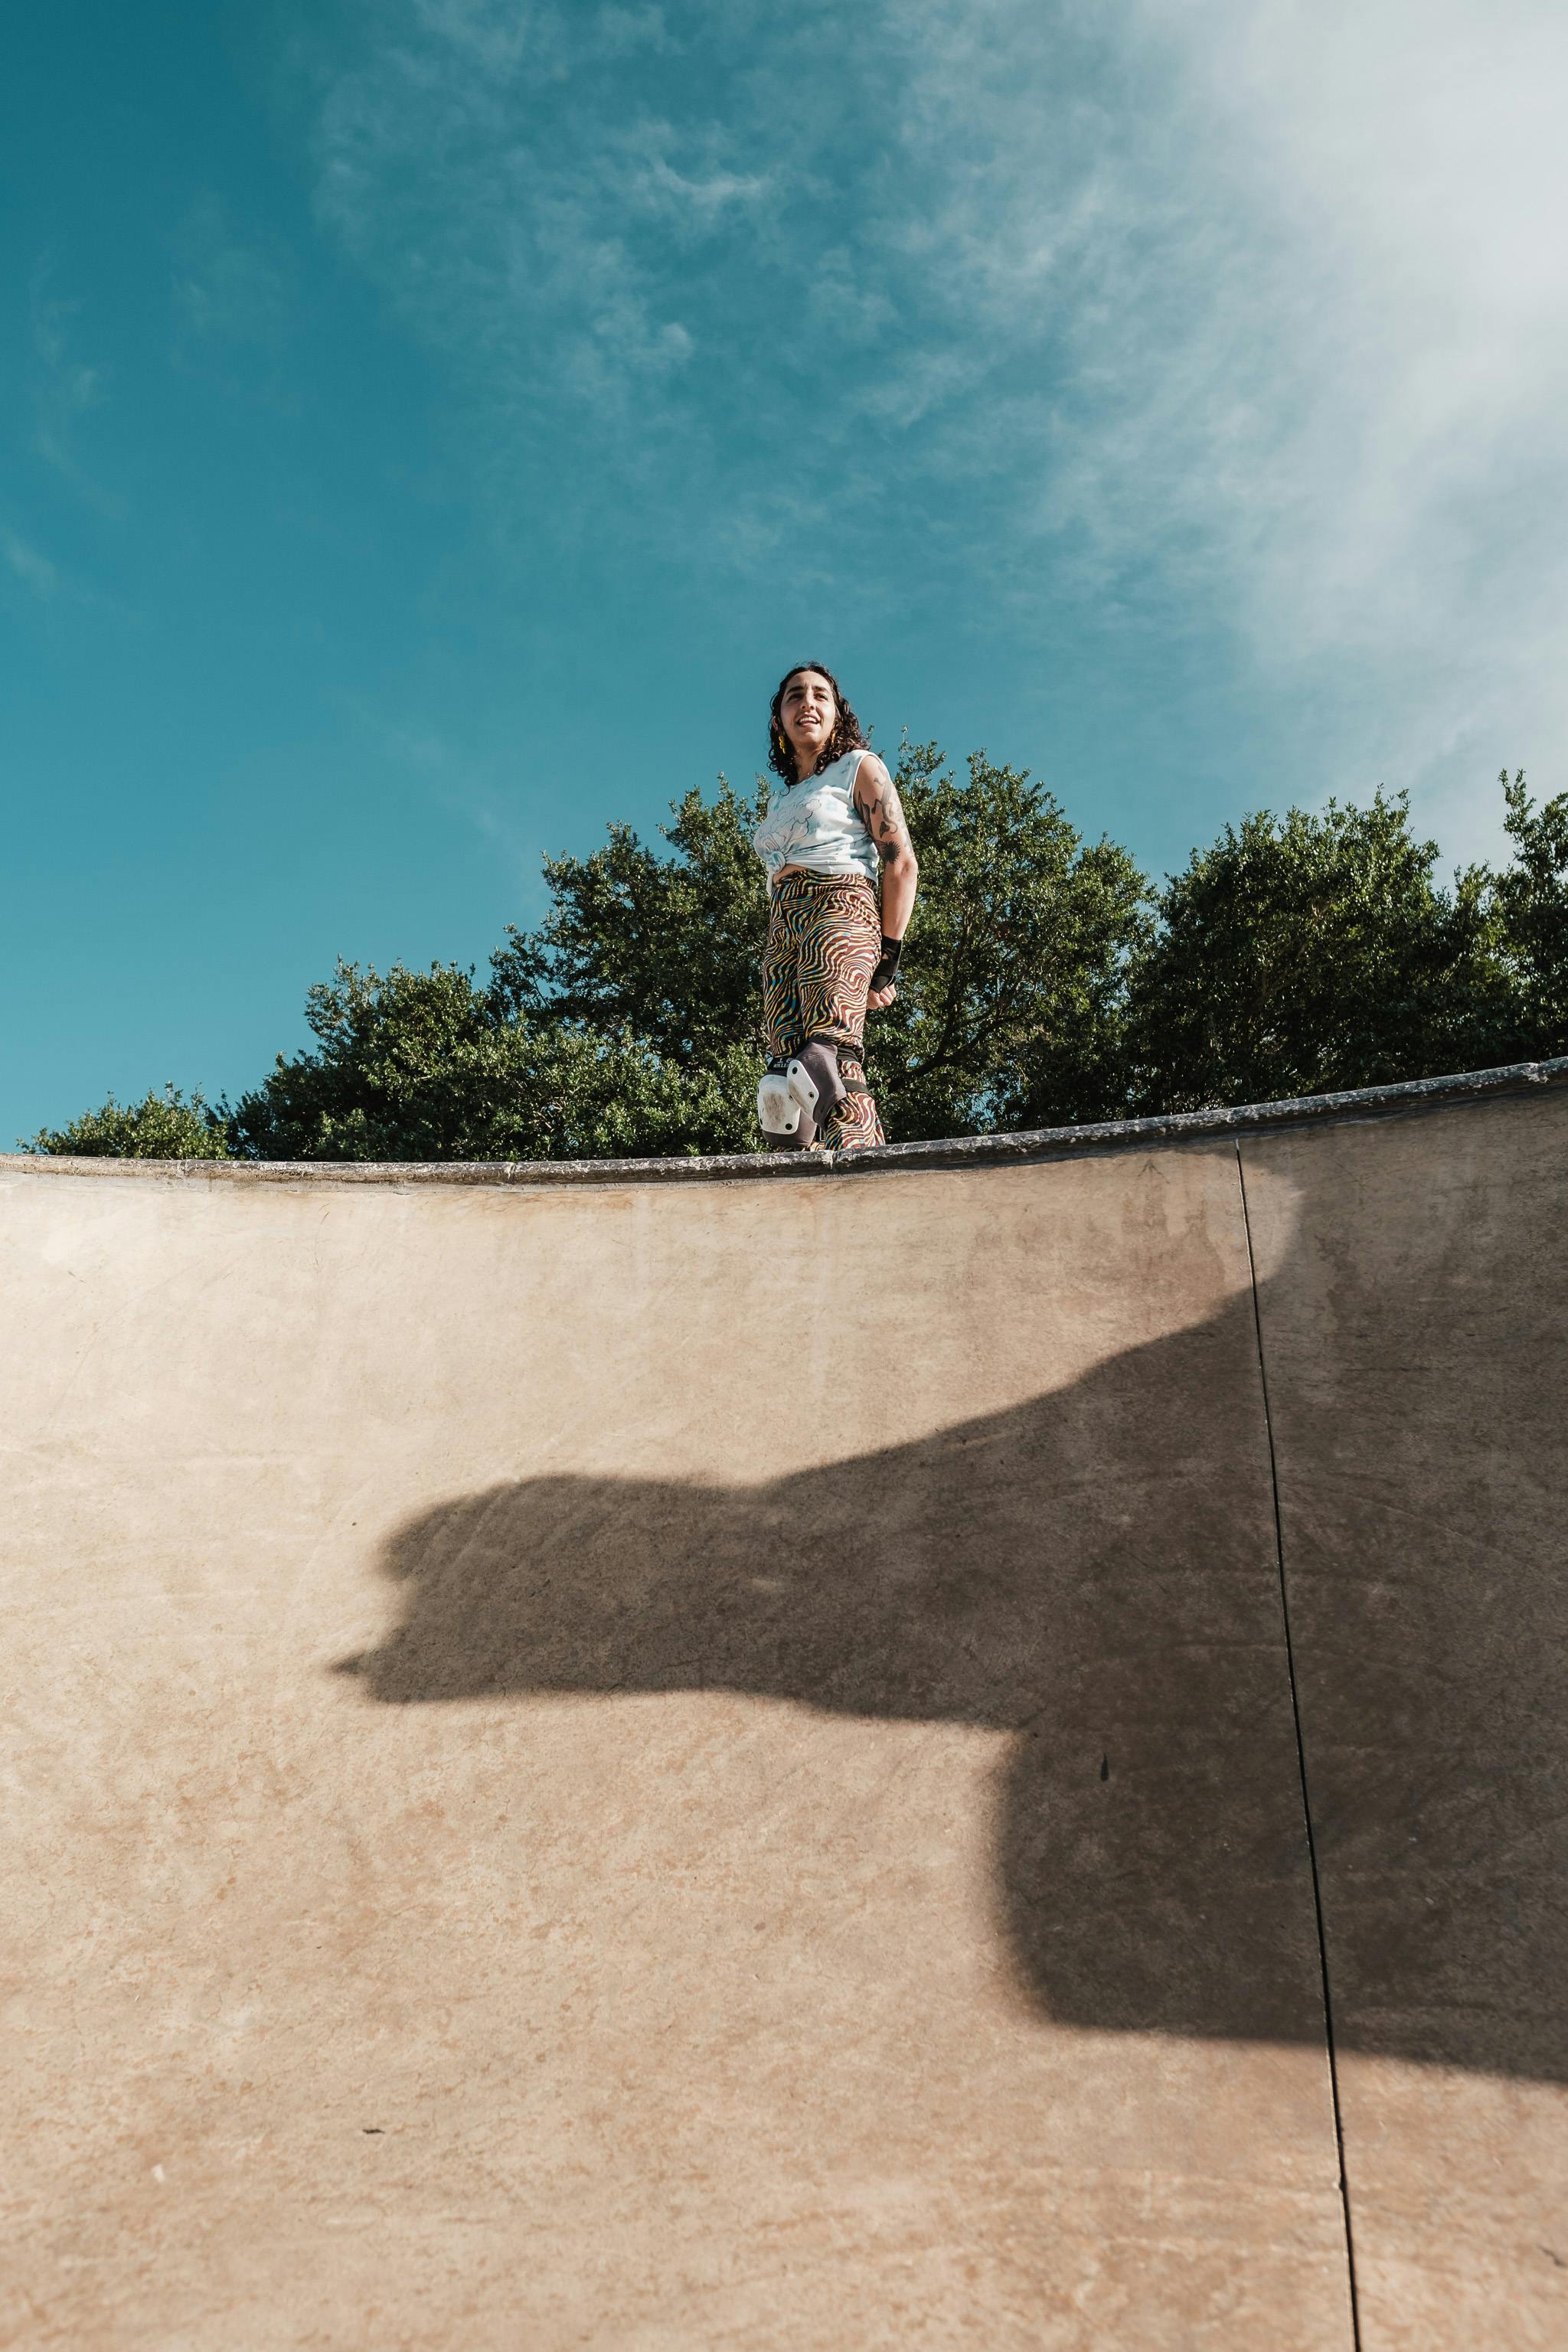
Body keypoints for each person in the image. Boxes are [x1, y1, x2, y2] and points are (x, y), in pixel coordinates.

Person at [751, 662, 919, 1152]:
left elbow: (900, 861)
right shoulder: (780, 799)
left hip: (840, 905)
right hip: (784, 921)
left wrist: (885, 960)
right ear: (780, 718)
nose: (807, 703)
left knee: (824, 1057)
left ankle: (863, 1169)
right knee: (782, 1080)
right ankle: (799, 1187)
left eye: (820, 695)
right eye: (794, 696)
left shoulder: (859, 767)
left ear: (836, 713)